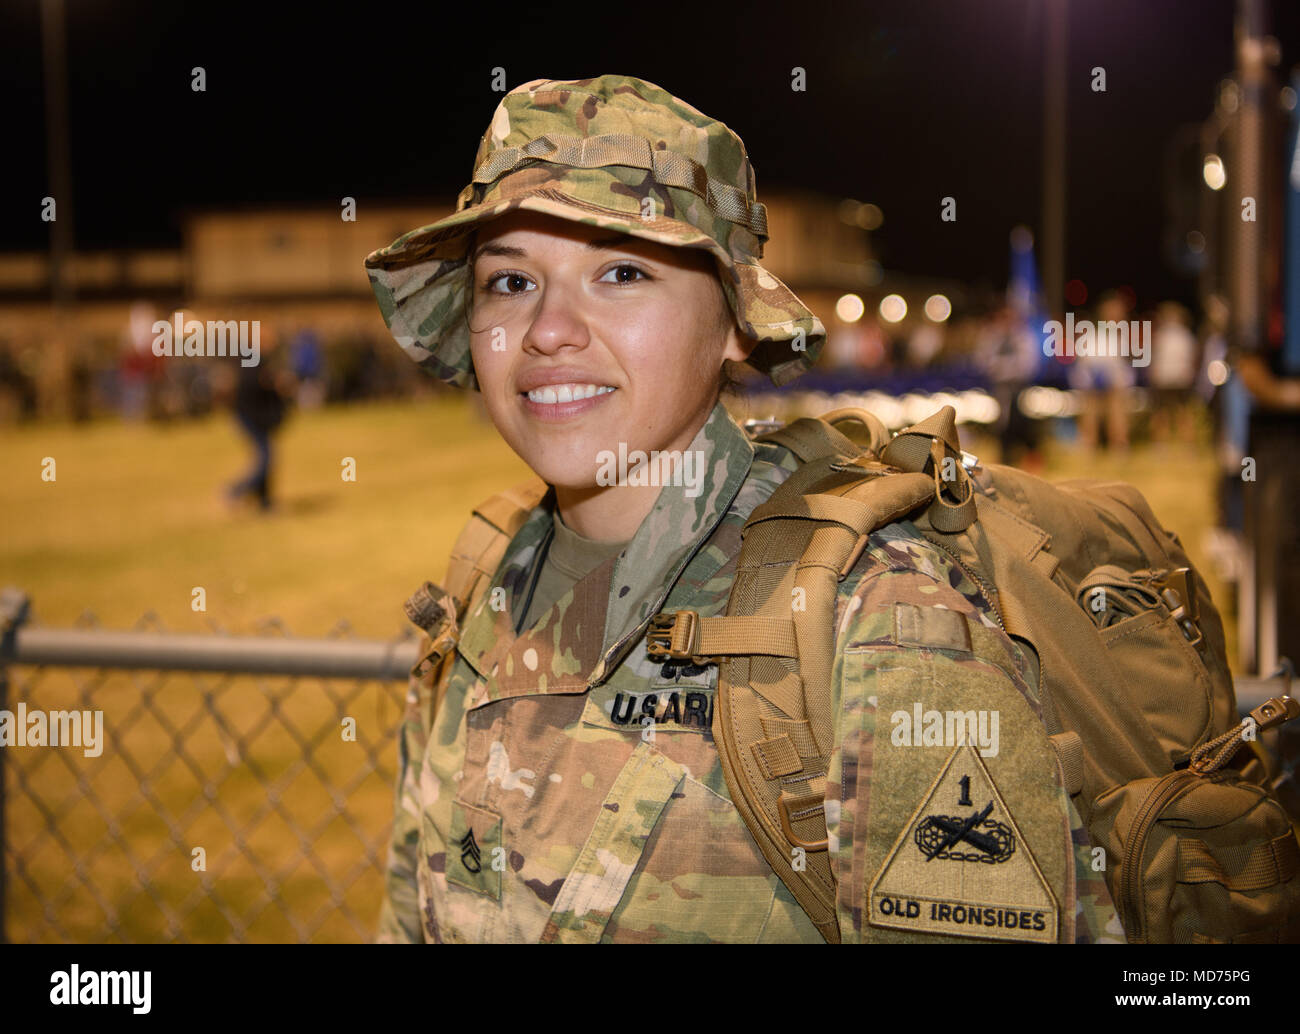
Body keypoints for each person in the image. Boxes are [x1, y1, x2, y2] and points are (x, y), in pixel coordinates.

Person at [365, 75, 1120, 943]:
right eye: (508, 282)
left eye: (620, 272)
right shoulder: (481, 581)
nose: (547, 331)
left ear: (734, 323)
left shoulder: (875, 629)